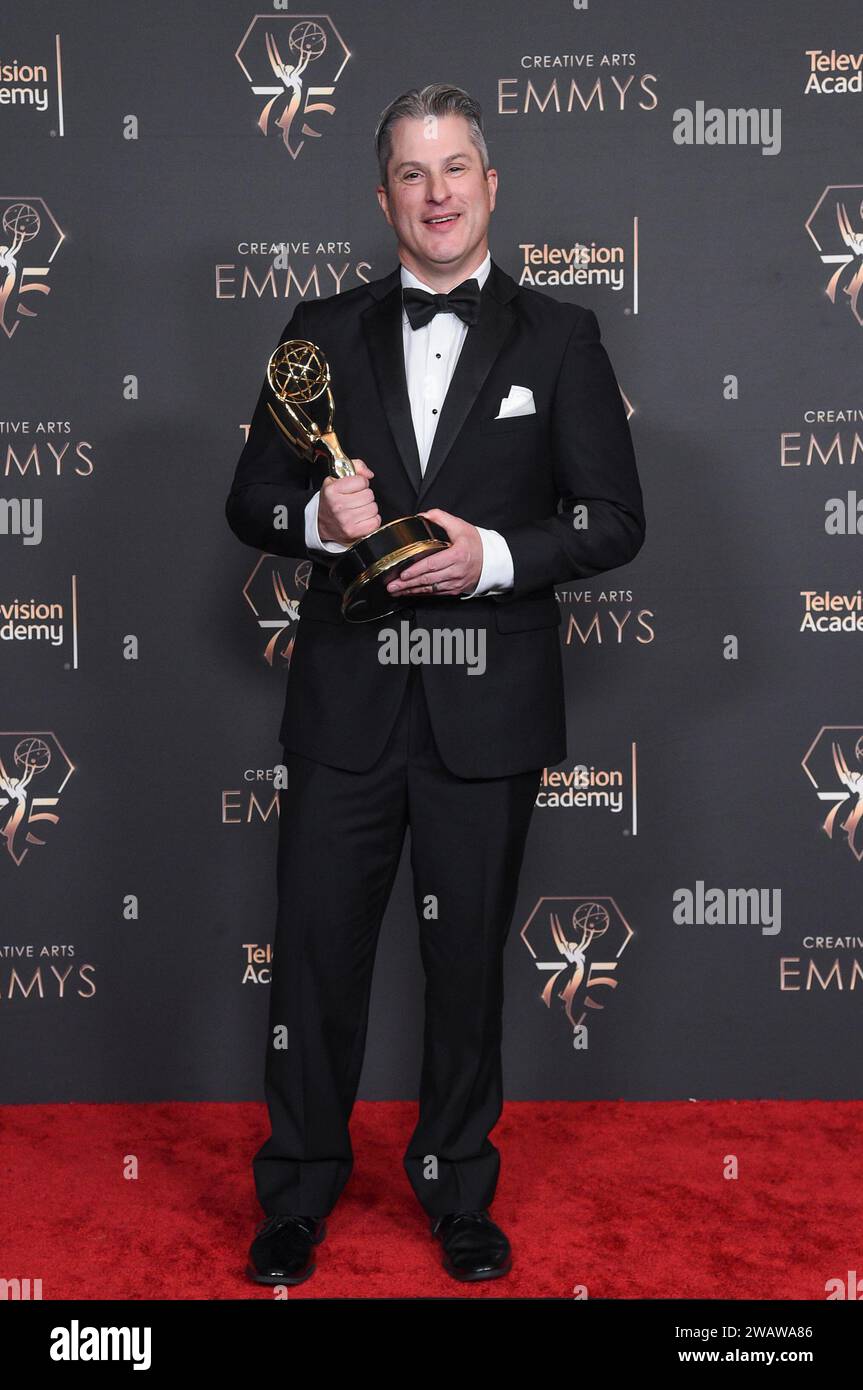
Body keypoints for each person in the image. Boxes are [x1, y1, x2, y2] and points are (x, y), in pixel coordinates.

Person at [225, 82, 645, 1285]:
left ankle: (458, 1190)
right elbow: (247, 499)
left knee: (463, 965)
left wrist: (494, 559)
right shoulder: (320, 329)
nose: (437, 193)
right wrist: (313, 516)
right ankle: (297, 1195)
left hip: (484, 708)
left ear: (490, 183)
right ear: (382, 197)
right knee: (311, 956)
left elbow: (614, 519)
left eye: (455, 167)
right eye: (411, 174)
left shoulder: (560, 337)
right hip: (347, 710)